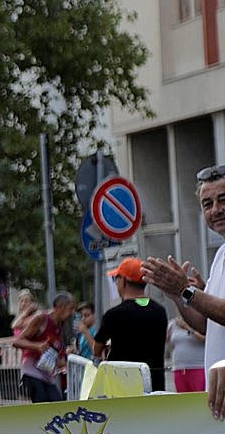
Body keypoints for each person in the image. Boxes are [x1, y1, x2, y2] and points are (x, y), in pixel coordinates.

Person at [143, 164, 225, 419]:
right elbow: (204, 324)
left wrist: (186, 290)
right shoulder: (221, 255)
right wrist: (177, 294)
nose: (216, 210)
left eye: (223, 200)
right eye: (207, 203)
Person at [92, 257, 168, 391]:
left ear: (124, 281)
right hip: (154, 385)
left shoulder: (114, 314)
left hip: (123, 387)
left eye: (116, 278)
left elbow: (96, 349)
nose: (116, 283)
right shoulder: (160, 311)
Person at [12, 291, 74, 403]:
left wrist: (66, 362)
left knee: (56, 402)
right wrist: (37, 346)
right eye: (70, 309)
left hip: (46, 373)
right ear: (61, 307)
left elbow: (59, 358)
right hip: (31, 369)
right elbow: (17, 341)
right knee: (42, 401)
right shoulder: (42, 318)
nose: (71, 313)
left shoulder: (59, 325)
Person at [168, 315, 206, 392]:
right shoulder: (172, 324)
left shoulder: (199, 323)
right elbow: (171, 345)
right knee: (183, 399)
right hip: (179, 368)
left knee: (199, 398)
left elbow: (205, 340)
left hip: (197, 367)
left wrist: (188, 328)